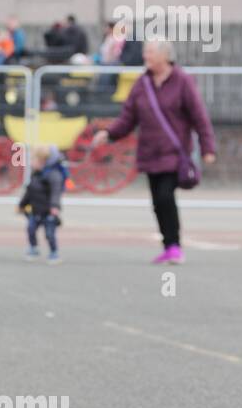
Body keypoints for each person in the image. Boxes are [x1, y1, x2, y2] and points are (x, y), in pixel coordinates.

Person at [93, 35, 216, 264]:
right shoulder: (142, 84)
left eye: (150, 52)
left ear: (164, 56)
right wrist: (108, 133)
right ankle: (168, 245)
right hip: (150, 151)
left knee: (165, 195)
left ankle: (175, 246)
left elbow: (199, 117)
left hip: (173, 152)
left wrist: (208, 146)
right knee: (157, 202)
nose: (145, 56)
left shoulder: (182, 81)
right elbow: (128, 117)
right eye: (146, 52)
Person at [18, 144, 66, 264]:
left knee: (49, 233)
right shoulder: (35, 175)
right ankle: (33, 248)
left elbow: (56, 192)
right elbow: (29, 192)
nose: (32, 163)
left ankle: (54, 252)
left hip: (48, 210)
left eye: (34, 160)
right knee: (31, 229)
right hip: (35, 210)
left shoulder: (54, 175)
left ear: (44, 161)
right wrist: (22, 205)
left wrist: (55, 206)